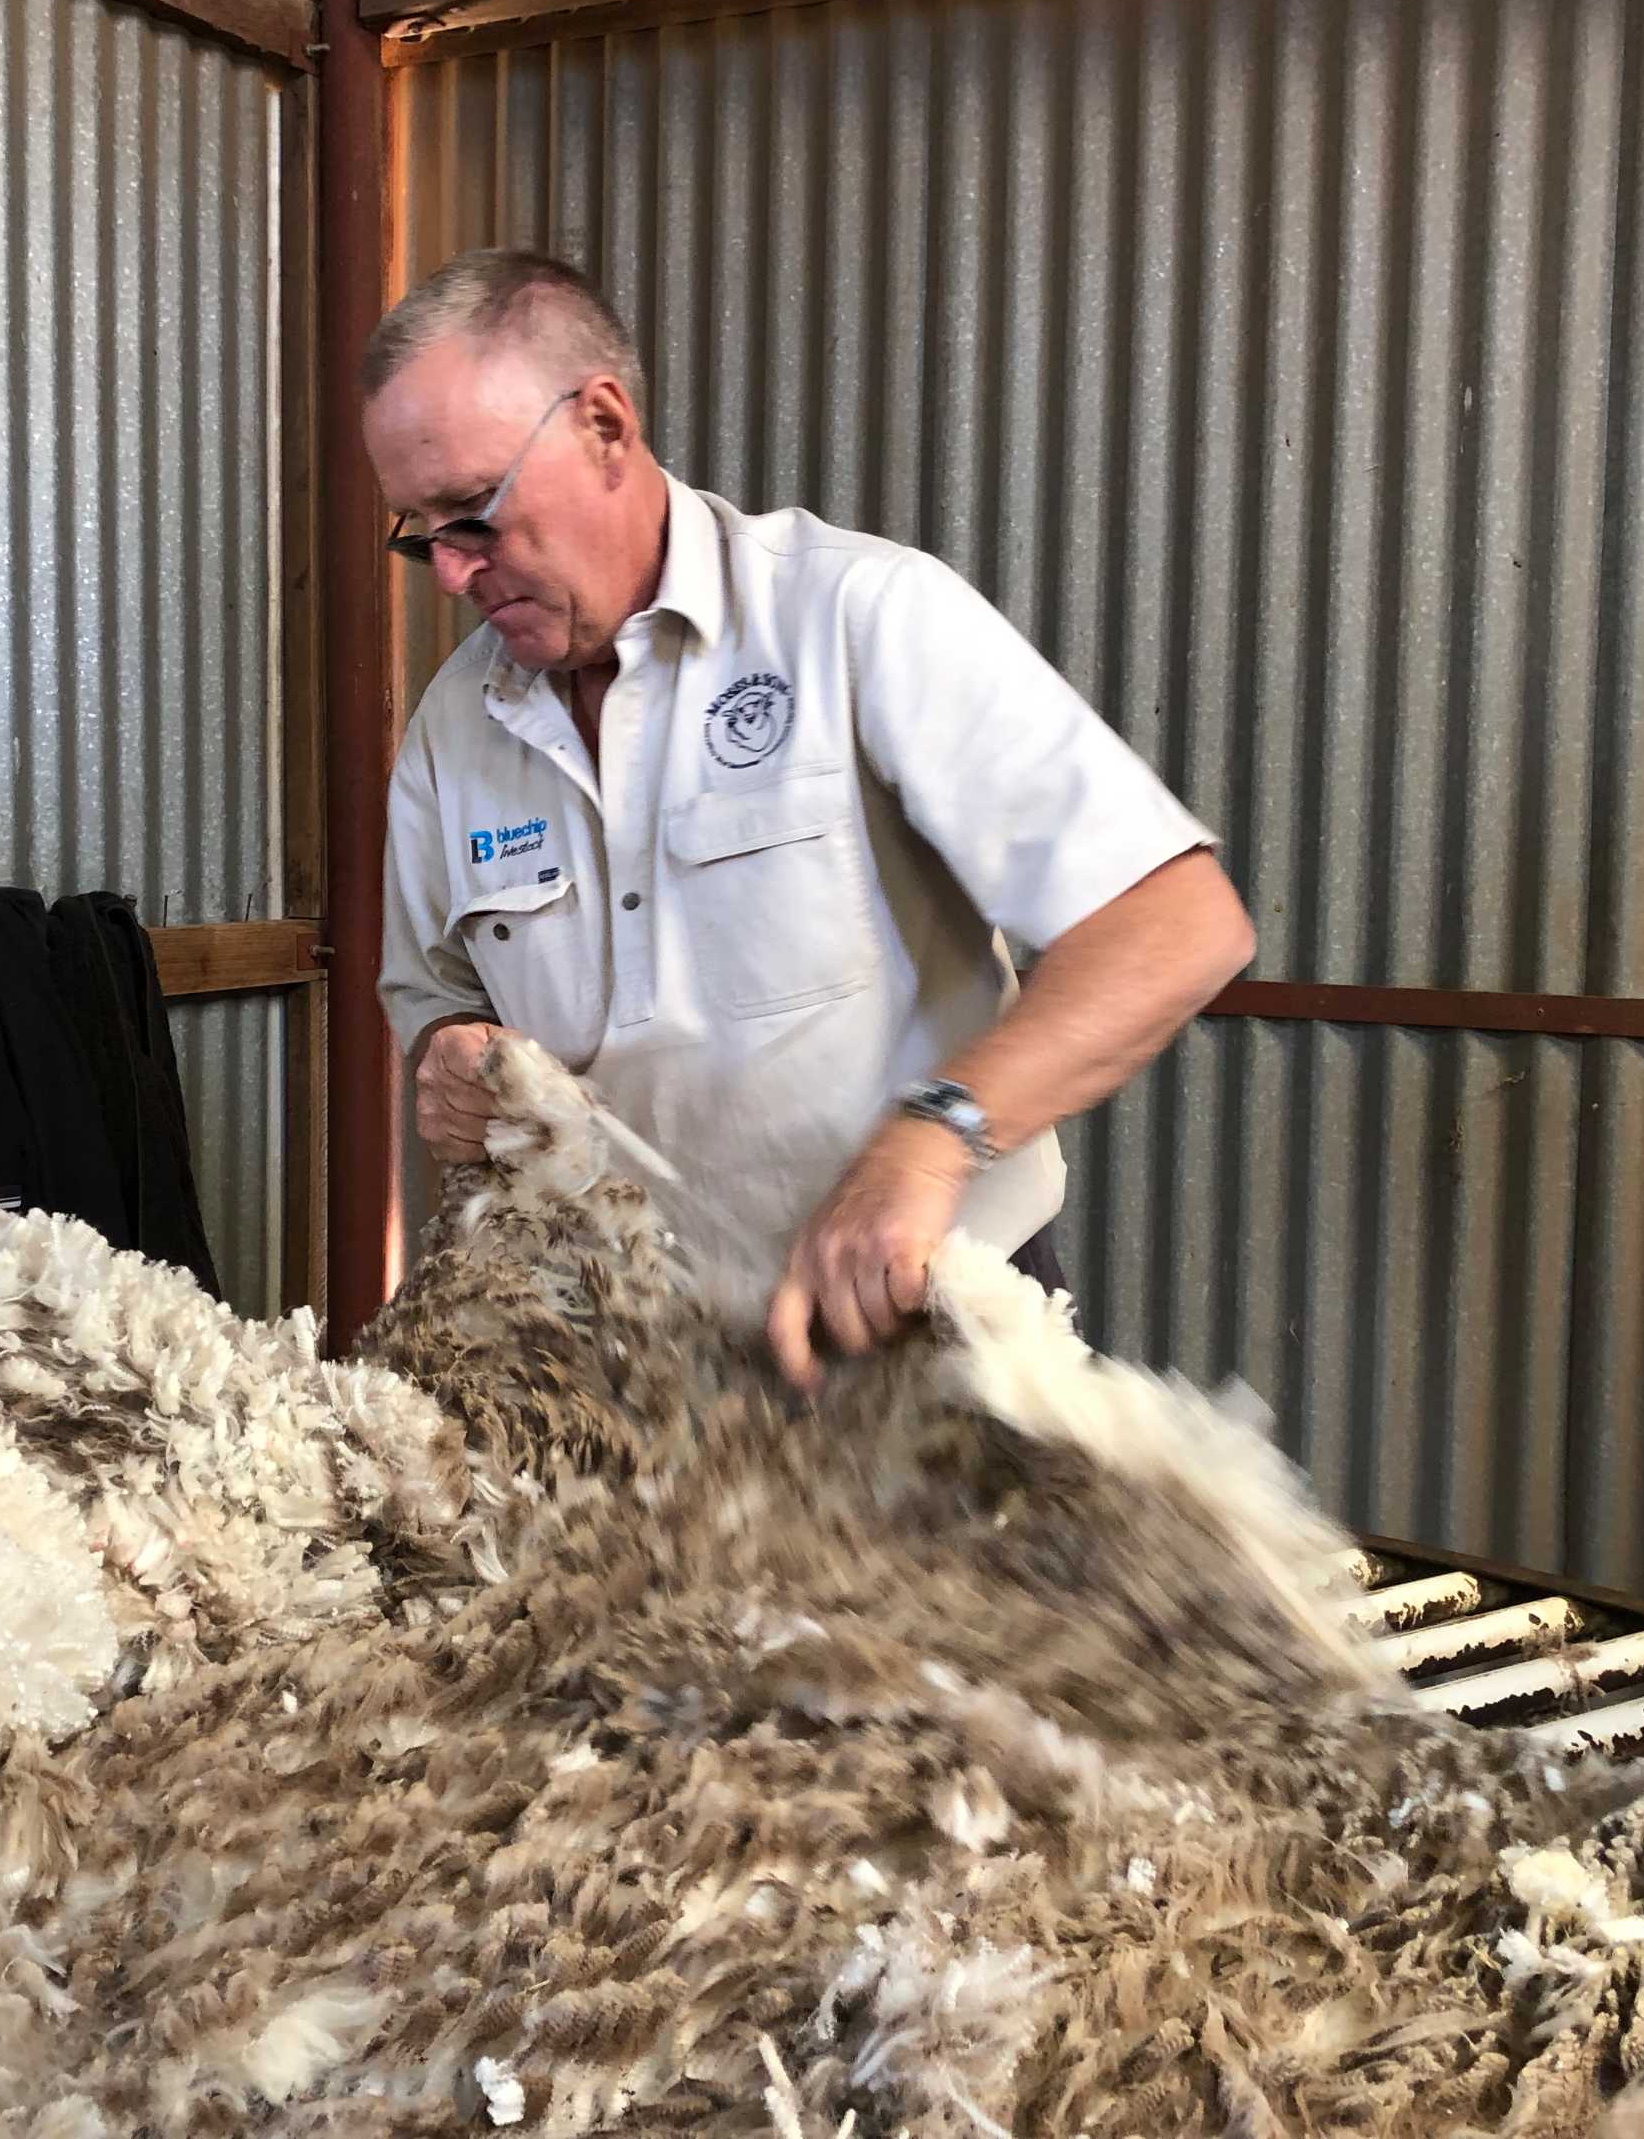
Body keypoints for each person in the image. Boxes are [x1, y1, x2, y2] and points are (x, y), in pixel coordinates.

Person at [368, 249, 1255, 1390]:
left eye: (477, 513)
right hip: (621, 1372)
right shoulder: (457, 726)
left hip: (922, 1339)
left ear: (604, 425)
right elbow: (434, 987)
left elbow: (1177, 923)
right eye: (422, 534)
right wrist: (447, 1051)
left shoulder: (856, 619)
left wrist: (933, 1141)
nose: (450, 573)